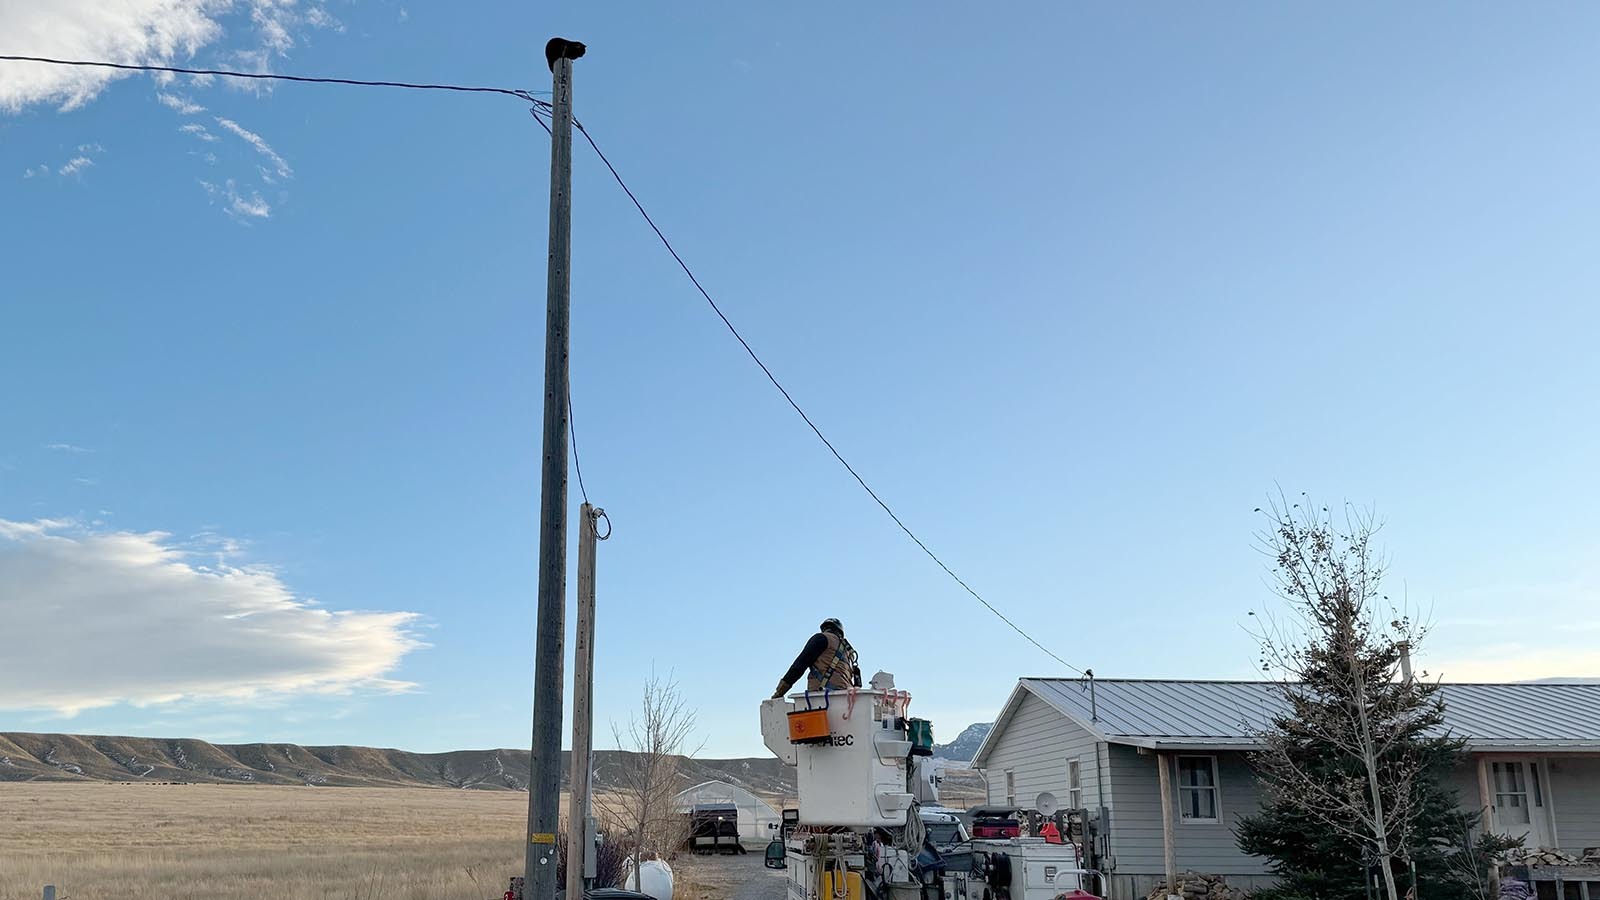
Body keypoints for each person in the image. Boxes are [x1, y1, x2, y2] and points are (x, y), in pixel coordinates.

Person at [771, 618, 862, 698]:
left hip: (822, 696)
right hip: (846, 696)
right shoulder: (848, 651)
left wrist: (779, 692)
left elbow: (799, 666)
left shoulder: (821, 638)